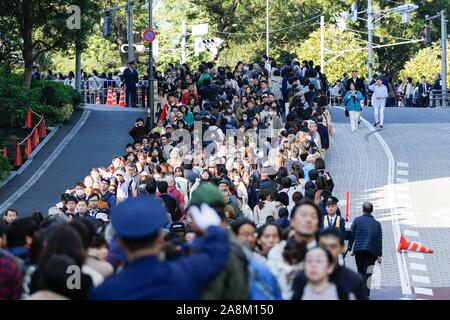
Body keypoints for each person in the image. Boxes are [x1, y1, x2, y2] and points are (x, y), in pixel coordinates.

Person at [90, 196, 229, 299]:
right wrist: (213, 228)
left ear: (119, 243)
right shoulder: (187, 272)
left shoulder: (104, 292)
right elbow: (217, 253)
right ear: (159, 237)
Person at [348, 201, 382, 298]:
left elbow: (351, 234)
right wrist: (379, 254)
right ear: (372, 211)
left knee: (360, 271)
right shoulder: (377, 224)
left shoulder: (357, 220)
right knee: (368, 273)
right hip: (372, 252)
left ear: (362, 210)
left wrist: (350, 247)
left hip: (359, 250)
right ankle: (366, 295)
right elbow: (379, 239)